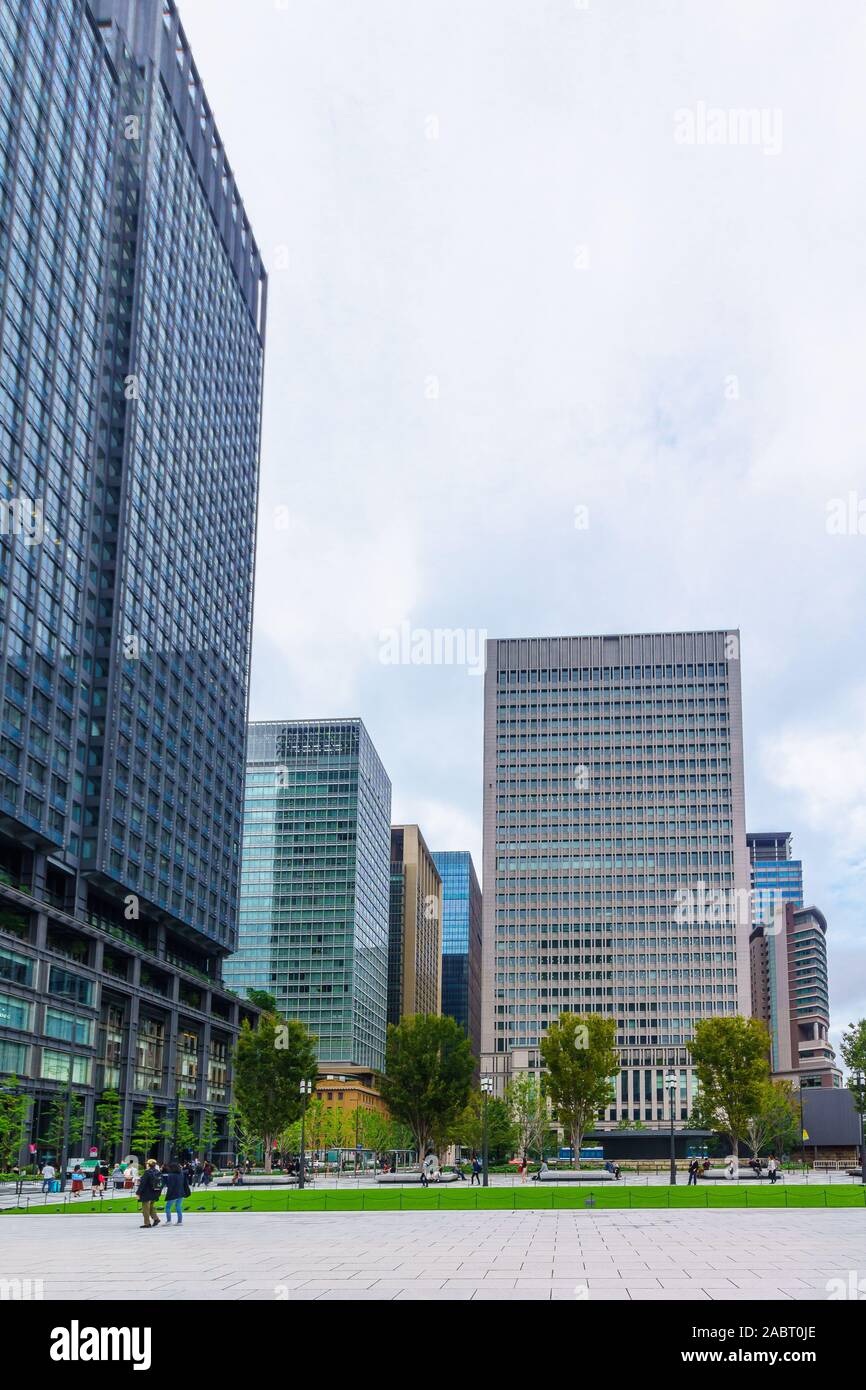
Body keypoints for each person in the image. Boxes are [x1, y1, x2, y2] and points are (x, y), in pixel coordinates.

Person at [136, 1159, 162, 1228]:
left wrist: (138, 1193)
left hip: (147, 1193)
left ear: (148, 1165)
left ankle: (147, 1223)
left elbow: (143, 1184)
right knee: (151, 1207)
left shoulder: (147, 1172)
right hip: (155, 1192)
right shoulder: (157, 1172)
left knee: (145, 1209)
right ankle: (156, 1219)